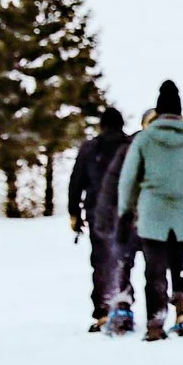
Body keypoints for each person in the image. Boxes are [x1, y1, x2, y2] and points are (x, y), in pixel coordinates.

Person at [117, 80, 183, 340]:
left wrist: (125, 212)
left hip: (152, 213)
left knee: (154, 269)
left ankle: (155, 323)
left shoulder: (144, 138)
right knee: (179, 266)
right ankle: (182, 311)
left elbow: (129, 178)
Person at [65, 106, 134, 332]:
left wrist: (74, 212)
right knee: (124, 261)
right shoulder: (130, 147)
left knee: (101, 261)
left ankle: (103, 309)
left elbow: (76, 183)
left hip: (97, 212)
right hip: (127, 211)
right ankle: (123, 304)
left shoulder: (90, 149)